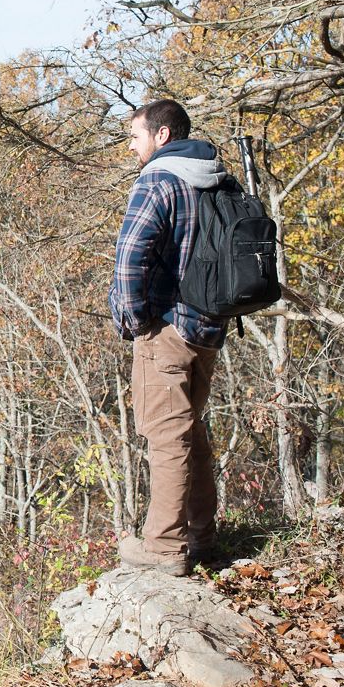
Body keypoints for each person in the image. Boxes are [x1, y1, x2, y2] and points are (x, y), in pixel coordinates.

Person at [109, 99, 230, 576]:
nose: (132, 145)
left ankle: (162, 547)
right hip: (209, 328)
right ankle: (202, 536)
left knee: (165, 436)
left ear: (162, 135)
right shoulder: (217, 175)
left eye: (135, 135)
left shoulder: (159, 179)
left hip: (168, 327)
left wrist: (136, 322)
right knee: (189, 431)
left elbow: (130, 256)